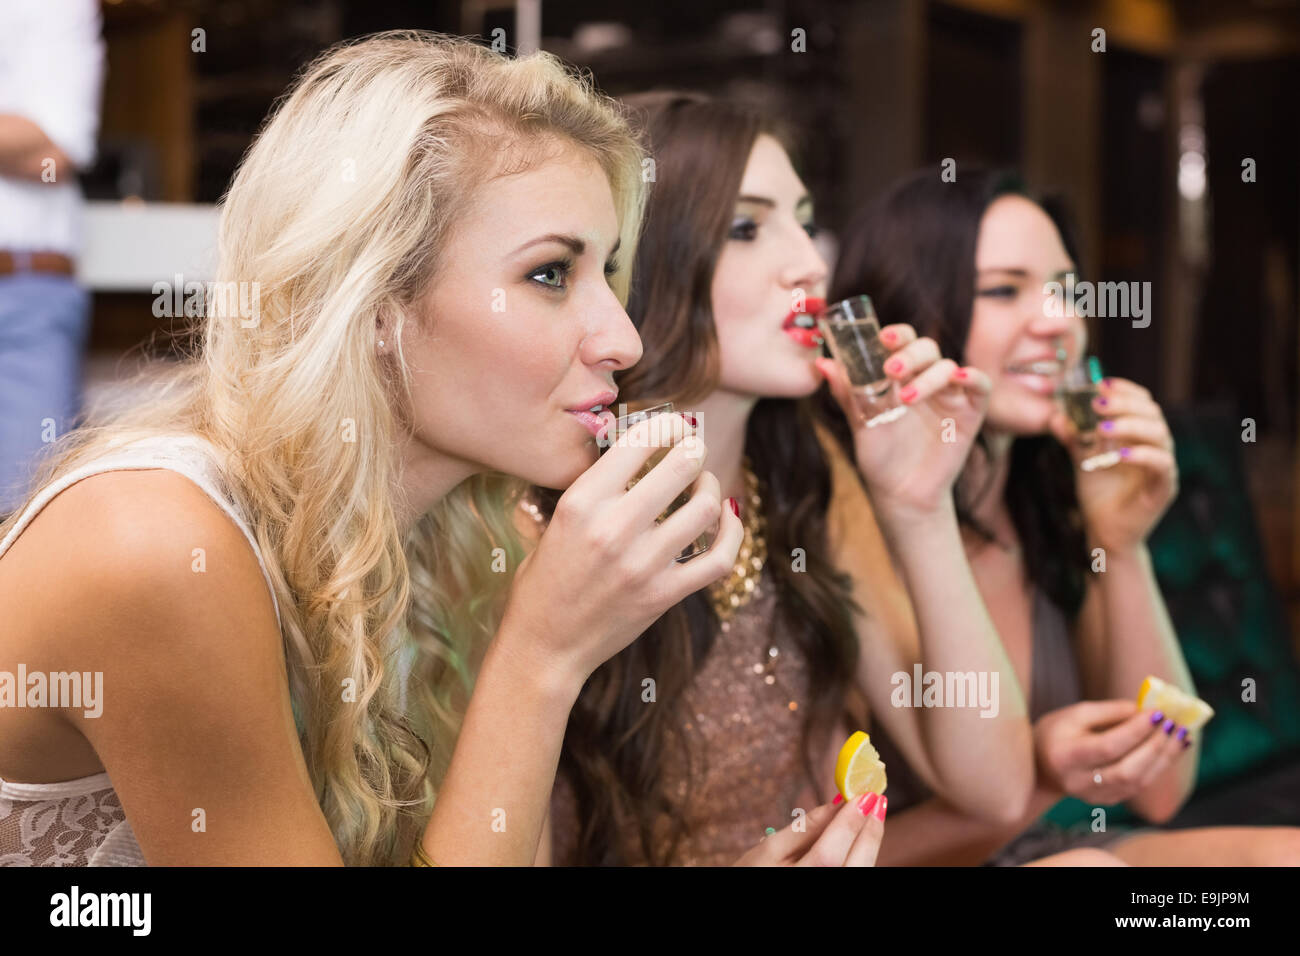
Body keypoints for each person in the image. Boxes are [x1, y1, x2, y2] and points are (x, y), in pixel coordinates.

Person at [0, 32, 744, 867]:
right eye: (549, 275)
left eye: (608, 273)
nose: (625, 339)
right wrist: (544, 659)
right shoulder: (159, 546)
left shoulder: (473, 537)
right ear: (376, 304)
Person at [519, 93, 1040, 866]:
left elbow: (995, 787)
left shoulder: (802, 477)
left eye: (803, 218)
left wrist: (919, 508)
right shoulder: (535, 516)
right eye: (747, 228)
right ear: (643, 259)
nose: (812, 264)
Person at [827, 165, 1300, 866]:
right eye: (1005, 290)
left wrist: (1123, 543)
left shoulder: (1043, 500)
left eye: (1068, 292)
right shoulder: (847, 524)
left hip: (1064, 844)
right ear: (908, 315)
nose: (1060, 323)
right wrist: (1047, 776)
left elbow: (1164, 788)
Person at [0, 0, 104, 513]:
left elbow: (58, 149)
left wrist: (39, 141)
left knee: (26, 517)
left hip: (24, 295)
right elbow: (37, 142)